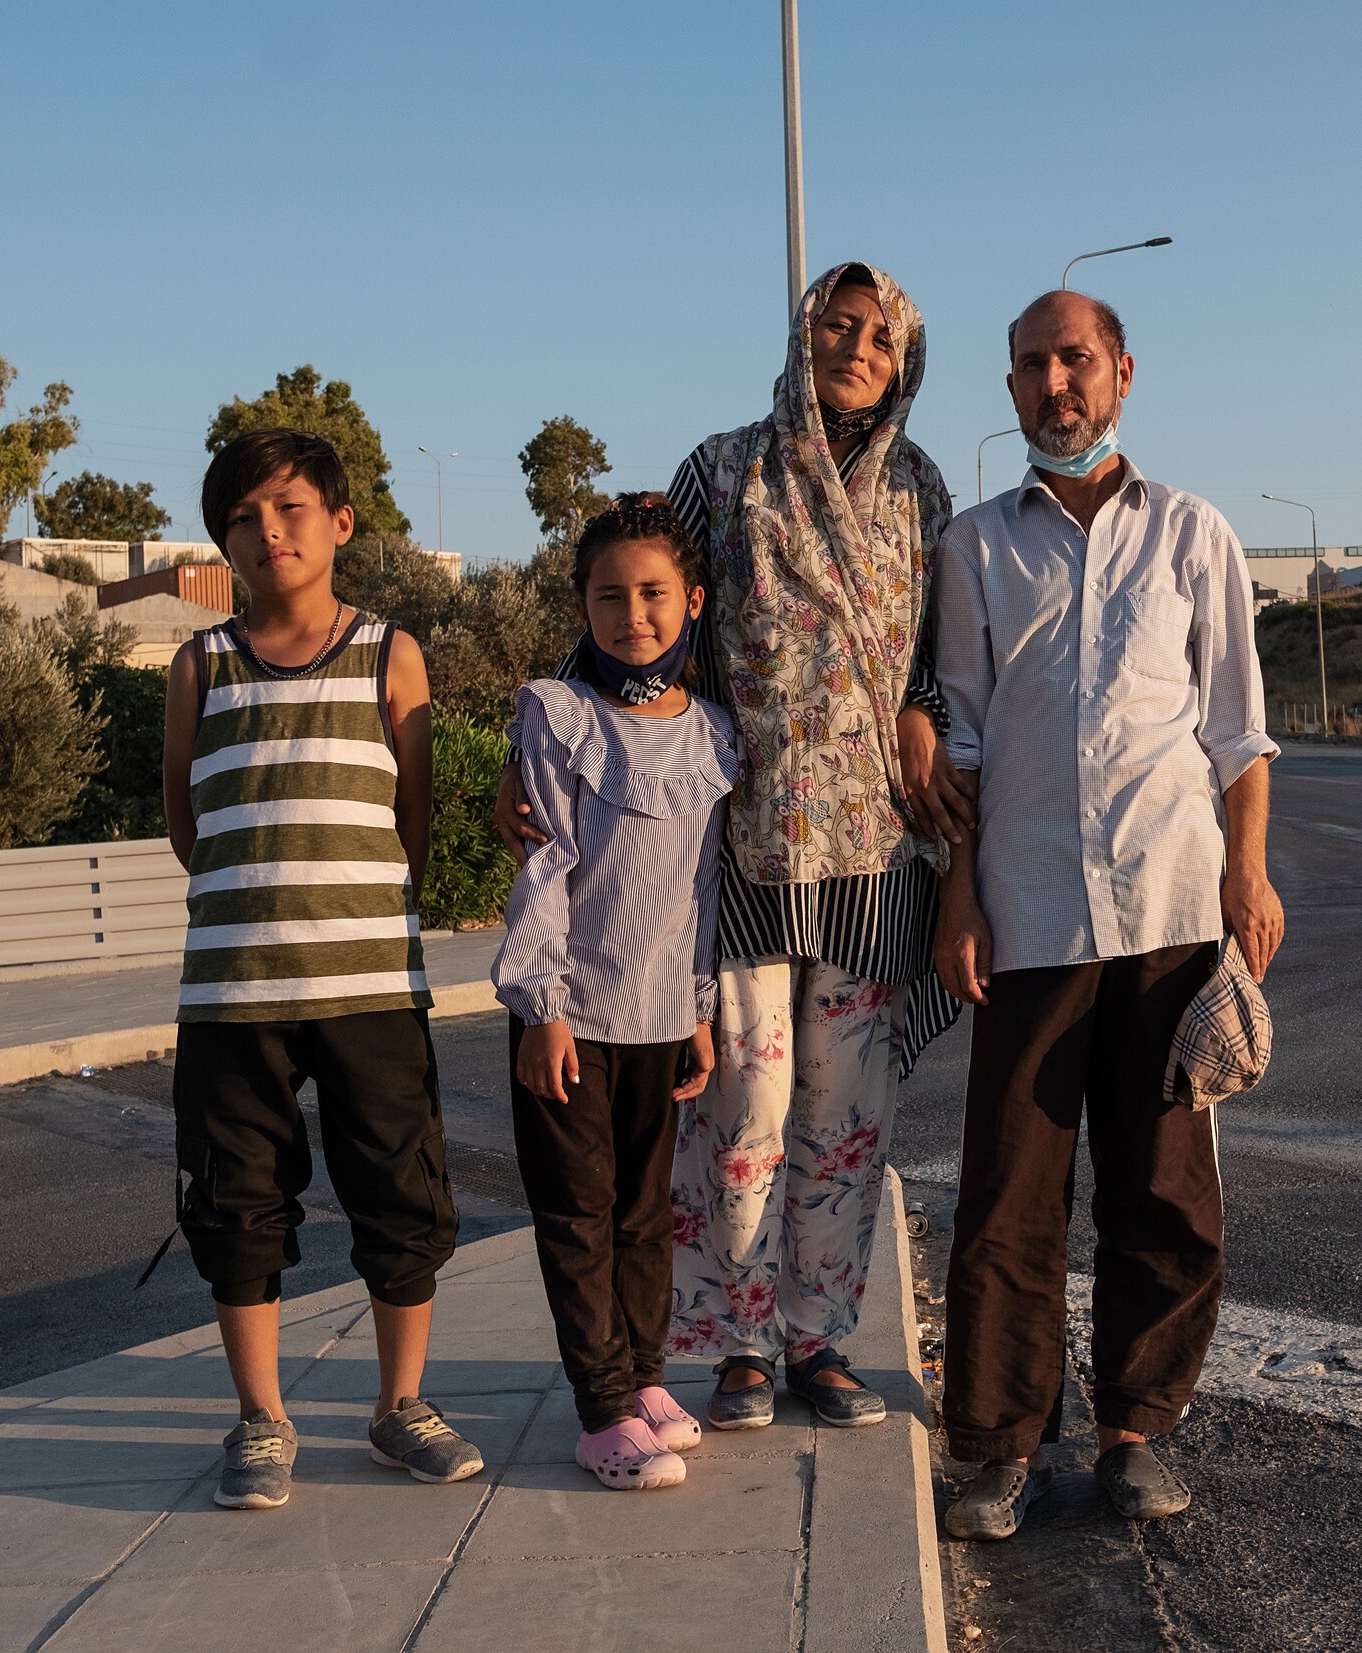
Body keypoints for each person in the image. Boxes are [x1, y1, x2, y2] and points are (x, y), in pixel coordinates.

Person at [499, 262, 973, 1431]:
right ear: (804, 331)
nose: (852, 347)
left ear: (904, 358)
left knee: (843, 1116)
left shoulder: (919, 486)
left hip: (870, 854)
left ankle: (819, 1339)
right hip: (745, 851)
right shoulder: (723, 468)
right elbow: (634, 621)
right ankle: (734, 1343)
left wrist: (918, 708)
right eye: (835, 324)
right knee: (743, 1113)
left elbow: (937, 646)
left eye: (876, 335)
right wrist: (544, 747)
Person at [931, 291, 1285, 1540]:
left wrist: (1248, 874)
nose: (1051, 383)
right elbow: (962, 735)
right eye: (1029, 365)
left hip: (1175, 908)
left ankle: (1135, 1432)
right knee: (1007, 1197)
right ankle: (994, 1447)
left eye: (1073, 359)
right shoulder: (973, 546)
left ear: (1122, 374)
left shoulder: (1194, 534)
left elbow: (1237, 731)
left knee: (1162, 1190)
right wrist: (960, 892)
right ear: (1011, 387)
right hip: (1026, 913)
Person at [162, 427, 482, 1512]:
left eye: (290, 508)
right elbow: (185, 820)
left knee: (398, 1191)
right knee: (235, 1202)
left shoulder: (390, 654)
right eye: (243, 517)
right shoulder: (196, 665)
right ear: (224, 542)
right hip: (228, 1000)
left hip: (372, 991)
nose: (268, 532)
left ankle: (400, 1407)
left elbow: (413, 817)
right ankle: (261, 1420)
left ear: (339, 522)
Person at [495, 495, 740, 1490]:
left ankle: (645, 1379)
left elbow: (701, 887)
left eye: (651, 594)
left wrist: (697, 1011)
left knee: (645, 1219)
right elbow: (541, 869)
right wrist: (539, 1009)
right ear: (581, 605)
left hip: (658, 1019)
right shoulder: (557, 716)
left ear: (690, 601)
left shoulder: (716, 732)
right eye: (608, 596)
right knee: (577, 1218)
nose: (630, 614)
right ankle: (599, 1413)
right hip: (570, 1022)